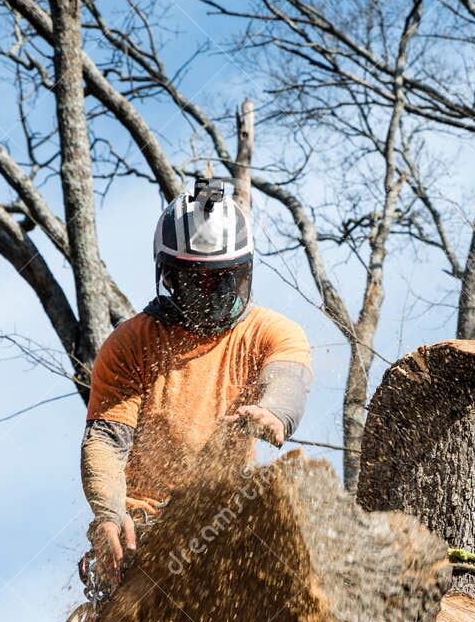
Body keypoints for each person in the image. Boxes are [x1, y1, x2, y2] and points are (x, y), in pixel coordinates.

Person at [81, 176, 311, 584]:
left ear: (242, 273)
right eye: (195, 281)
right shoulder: (132, 343)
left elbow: (288, 376)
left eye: (221, 280)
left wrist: (275, 411)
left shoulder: (270, 332)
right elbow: (105, 441)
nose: (209, 294)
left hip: (225, 515)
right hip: (142, 525)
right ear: (169, 277)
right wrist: (109, 515)